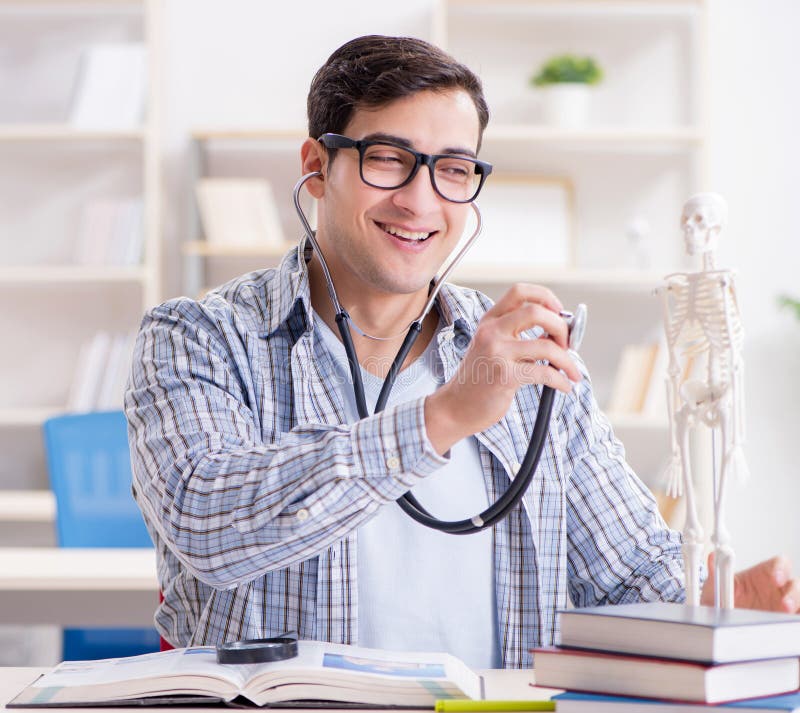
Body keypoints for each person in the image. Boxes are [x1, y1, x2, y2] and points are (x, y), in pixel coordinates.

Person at [125, 35, 799, 670]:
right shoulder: (196, 337)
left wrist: (724, 599)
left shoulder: (529, 353)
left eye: (453, 169)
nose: (420, 201)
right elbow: (204, 523)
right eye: (387, 158)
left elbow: (626, 574)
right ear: (316, 167)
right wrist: (443, 414)